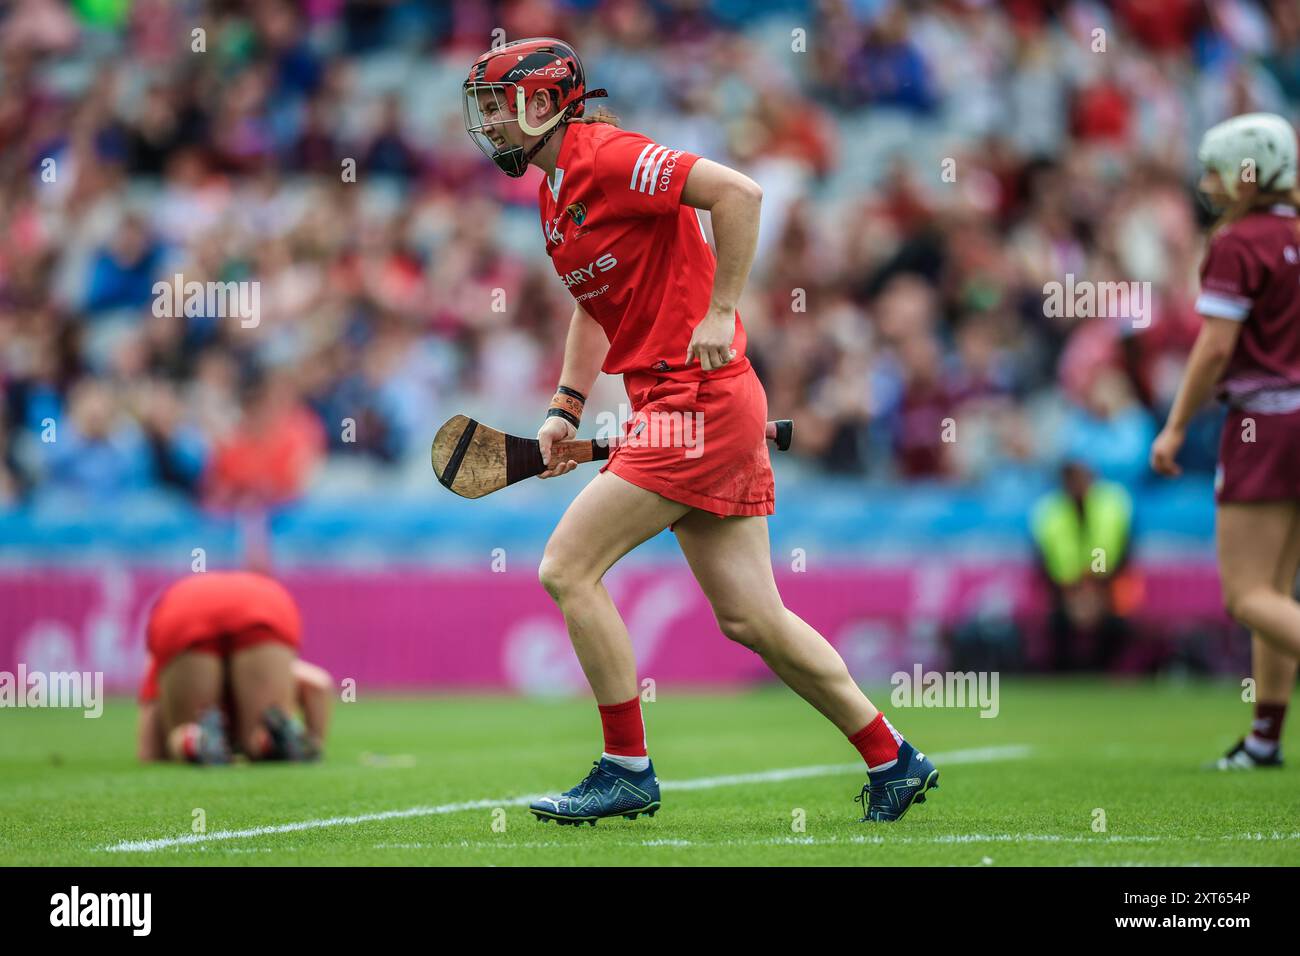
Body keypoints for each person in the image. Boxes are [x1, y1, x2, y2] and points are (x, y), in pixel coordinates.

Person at [462, 37, 938, 824]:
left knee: (567, 569)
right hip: (681, 405)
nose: (487, 124)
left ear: (543, 103)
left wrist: (722, 310)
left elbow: (739, 193)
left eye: (496, 107)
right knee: (753, 617)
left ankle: (626, 768)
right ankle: (893, 758)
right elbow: (594, 305)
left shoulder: (609, 157)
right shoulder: (554, 195)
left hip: (697, 404)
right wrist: (565, 408)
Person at [1150, 112, 1300, 769]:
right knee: (1276, 592)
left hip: (1264, 424)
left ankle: (1264, 738)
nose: (1207, 183)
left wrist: (1176, 424)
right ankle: (1265, 738)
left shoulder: (1239, 242)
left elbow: (1215, 348)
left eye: (1216, 171)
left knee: (1247, 596)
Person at [136, 571, 332, 764]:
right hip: (262, 601)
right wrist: (314, 744)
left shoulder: (161, 673)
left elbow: (149, 750)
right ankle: (270, 740)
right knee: (259, 735)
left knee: (187, 728)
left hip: (185, 606)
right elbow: (319, 685)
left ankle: (195, 739)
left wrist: (169, 743)